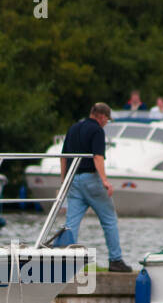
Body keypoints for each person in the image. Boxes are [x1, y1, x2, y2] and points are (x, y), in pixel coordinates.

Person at [51, 102, 133, 273]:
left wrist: (63, 181)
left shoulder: (73, 128)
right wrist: (105, 181)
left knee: (71, 222)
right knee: (109, 220)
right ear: (102, 116)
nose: (105, 123)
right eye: (107, 120)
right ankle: (115, 261)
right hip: (91, 180)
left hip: (73, 179)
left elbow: (63, 157)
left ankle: (64, 262)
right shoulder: (97, 131)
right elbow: (97, 157)